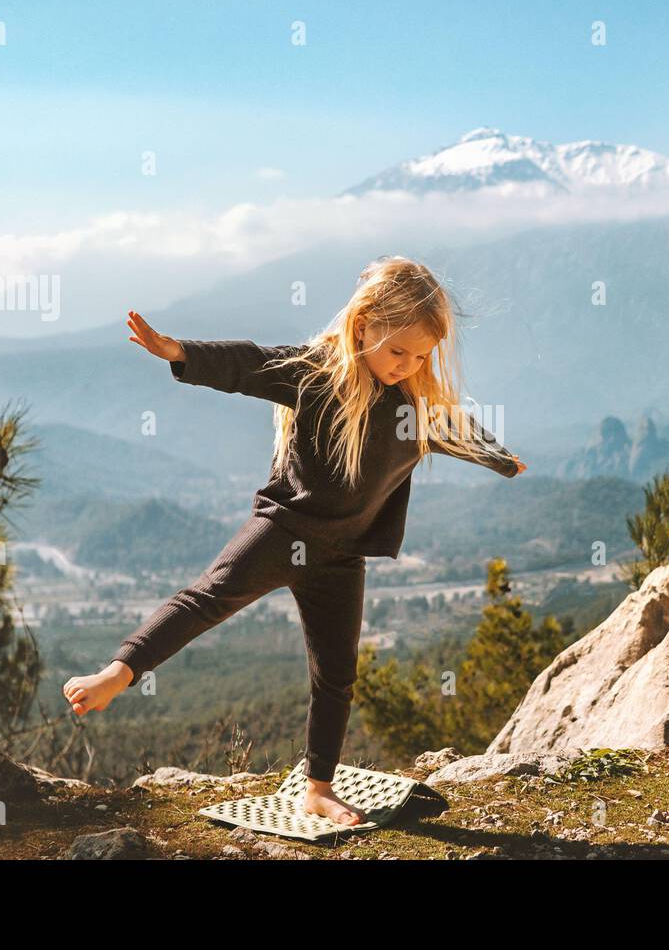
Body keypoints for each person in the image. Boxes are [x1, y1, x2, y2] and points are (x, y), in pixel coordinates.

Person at [62, 255, 525, 825]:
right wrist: (180, 353)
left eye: (421, 355)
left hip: (341, 556)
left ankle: (318, 788)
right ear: (363, 328)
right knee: (207, 597)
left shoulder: (416, 404)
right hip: (284, 531)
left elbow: (453, 430)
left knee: (336, 674)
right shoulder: (318, 373)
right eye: (396, 351)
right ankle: (117, 673)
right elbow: (251, 364)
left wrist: (501, 460)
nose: (407, 365)